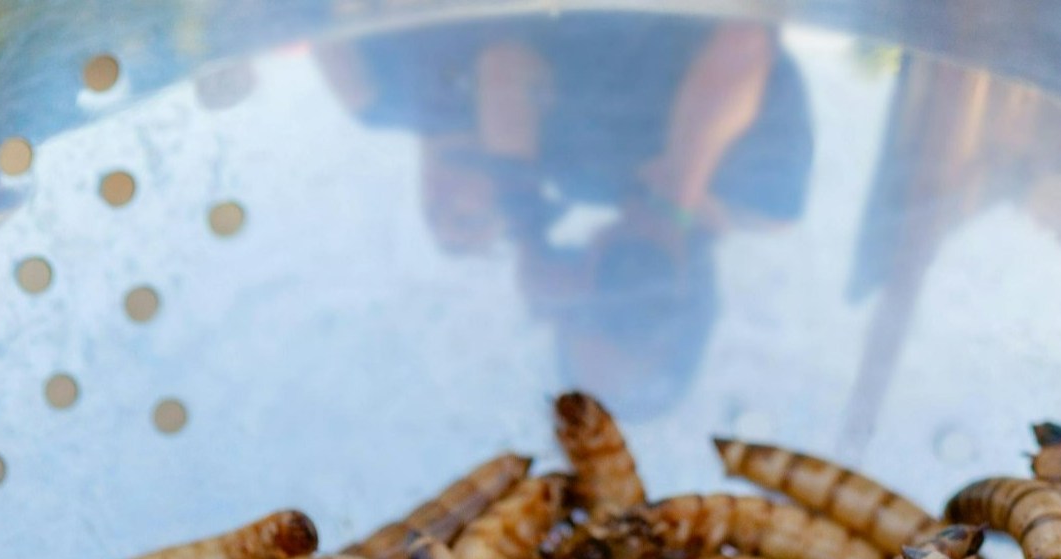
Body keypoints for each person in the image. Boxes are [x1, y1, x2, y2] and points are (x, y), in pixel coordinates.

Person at [321, 15, 813, 418]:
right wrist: (678, 198)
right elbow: (745, 32)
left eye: (585, 312)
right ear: (690, 309)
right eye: (630, 318)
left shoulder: (582, 176)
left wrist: (528, 231)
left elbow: (504, 64)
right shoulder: (764, 201)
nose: (609, 291)